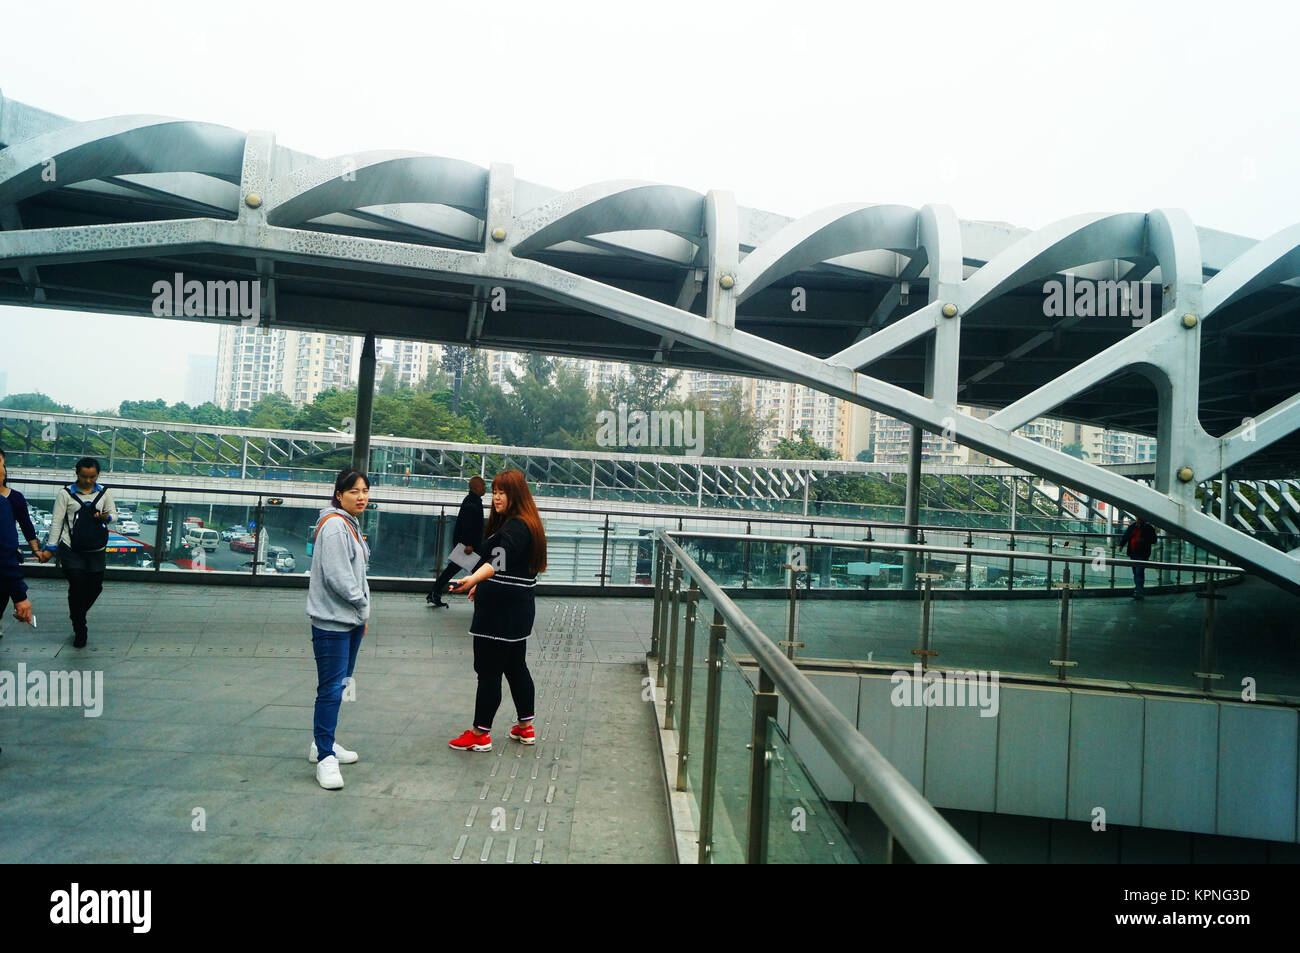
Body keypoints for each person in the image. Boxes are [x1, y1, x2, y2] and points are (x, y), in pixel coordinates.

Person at [446, 469, 547, 752]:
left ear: (516, 495)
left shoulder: (515, 526)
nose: (497, 498)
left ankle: (480, 734)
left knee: (488, 671)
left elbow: (497, 562)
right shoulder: (529, 524)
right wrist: (481, 582)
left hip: (498, 613)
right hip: (519, 608)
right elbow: (507, 566)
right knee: (516, 667)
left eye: (503, 492)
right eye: (495, 492)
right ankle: (525, 727)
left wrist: (472, 579)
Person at [306, 468, 372, 790]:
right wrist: (362, 605)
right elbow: (339, 577)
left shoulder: (348, 524)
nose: (361, 497)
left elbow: (354, 574)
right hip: (333, 622)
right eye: (354, 491)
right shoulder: (335, 526)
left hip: (349, 621)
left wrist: (361, 614)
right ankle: (324, 759)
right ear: (339, 494)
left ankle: (323, 743)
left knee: (339, 684)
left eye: (365, 491)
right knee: (331, 688)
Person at [43, 457, 115, 647]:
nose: (88, 481)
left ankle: (77, 613)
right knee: (77, 583)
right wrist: (51, 547)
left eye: (93, 477)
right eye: (84, 476)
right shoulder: (65, 494)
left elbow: (113, 516)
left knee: (95, 586)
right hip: (71, 548)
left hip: (96, 549)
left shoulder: (104, 493)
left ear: (98, 475)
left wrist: (106, 516)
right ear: (77, 473)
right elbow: (57, 521)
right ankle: (80, 627)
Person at [428, 476, 486, 608]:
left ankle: (434, 592)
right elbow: (469, 526)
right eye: (483, 485)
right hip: (469, 547)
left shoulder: (471, 500)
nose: (485, 488)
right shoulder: (472, 503)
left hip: (467, 545)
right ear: (475, 487)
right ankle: (484, 598)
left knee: (454, 569)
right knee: (480, 572)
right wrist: (469, 544)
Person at [1116, 514, 1158, 600]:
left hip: (1142, 553)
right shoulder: (1134, 526)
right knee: (1136, 572)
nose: (1137, 519)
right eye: (1137, 517)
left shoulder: (1147, 528)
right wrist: (1121, 545)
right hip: (1134, 553)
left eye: (1138, 517)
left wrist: (1143, 539)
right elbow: (1126, 536)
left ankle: (1138, 591)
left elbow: (1154, 540)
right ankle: (1138, 590)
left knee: (1138, 572)